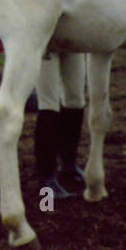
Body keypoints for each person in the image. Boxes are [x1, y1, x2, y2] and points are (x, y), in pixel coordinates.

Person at [33, 51, 86, 198]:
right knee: (49, 102)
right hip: (46, 41)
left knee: (75, 99)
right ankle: (46, 181)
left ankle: (68, 166)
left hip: (73, 42)